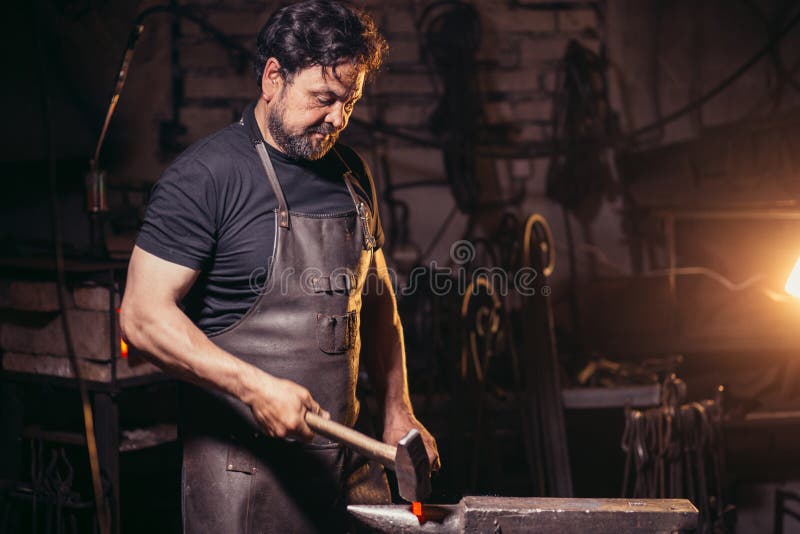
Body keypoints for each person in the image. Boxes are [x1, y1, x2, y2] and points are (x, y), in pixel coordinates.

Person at [119, 1, 439, 532]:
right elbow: (141, 317)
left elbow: (378, 299)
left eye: (349, 102)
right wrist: (252, 387)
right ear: (274, 78)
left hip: (349, 478)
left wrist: (397, 406)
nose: (338, 118)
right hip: (246, 480)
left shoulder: (351, 173)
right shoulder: (206, 177)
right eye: (323, 98)